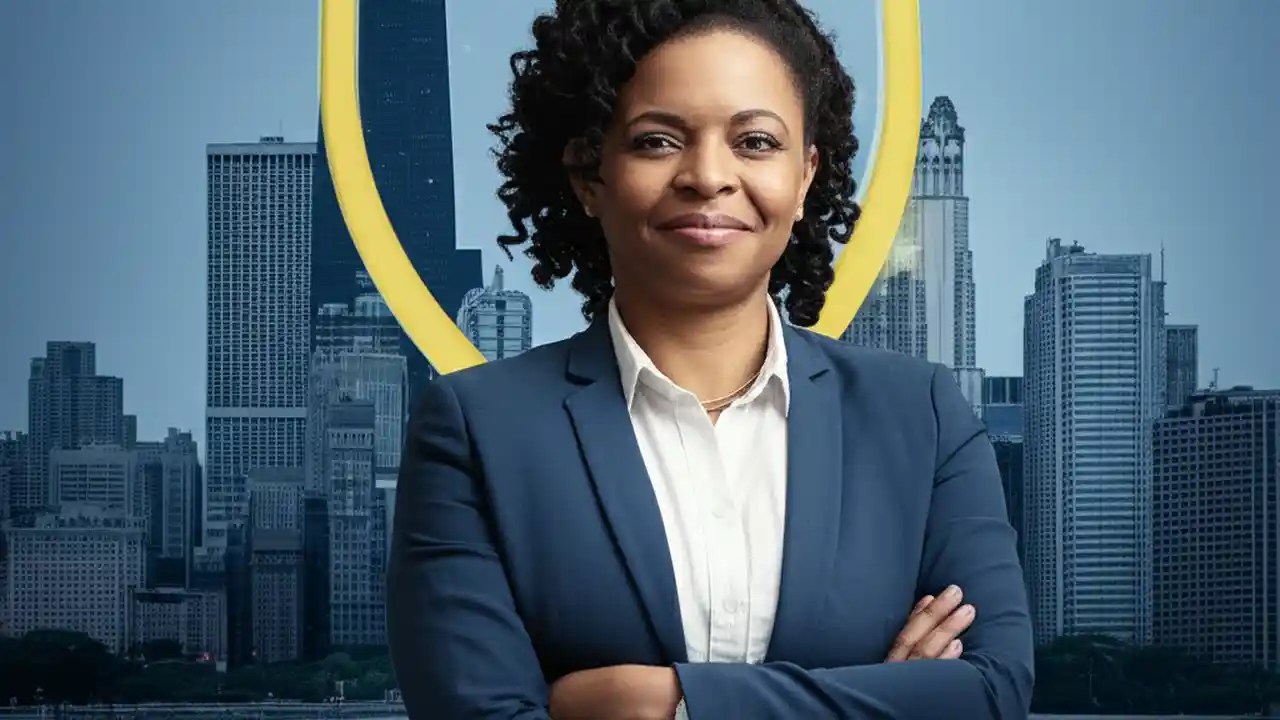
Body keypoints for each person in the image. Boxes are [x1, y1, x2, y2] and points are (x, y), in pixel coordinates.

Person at [386, 0, 1035, 717]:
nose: (708, 176)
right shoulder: (478, 431)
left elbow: (991, 693)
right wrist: (882, 699)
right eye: (657, 141)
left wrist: (666, 702)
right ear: (589, 175)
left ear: (805, 175)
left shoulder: (921, 417)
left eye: (755, 141)